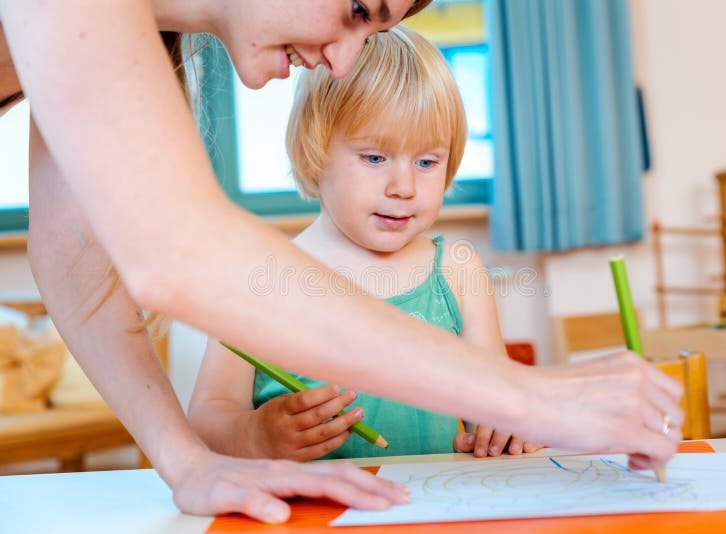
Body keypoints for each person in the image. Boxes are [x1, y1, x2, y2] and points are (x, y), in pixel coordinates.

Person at [0, 0, 683, 524]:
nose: (344, 55)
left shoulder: (130, 33)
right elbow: (174, 252)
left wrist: (187, 463)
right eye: (358, 9)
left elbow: (76, 260)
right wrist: (533, 397)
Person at [188, 26, 542, 462]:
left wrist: (506, 426)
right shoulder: (261, 278)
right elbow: (207, 418)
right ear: (314, 149)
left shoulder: (457, 270)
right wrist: (256, 435)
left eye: (427, 162)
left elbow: (496, 404)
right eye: (375, 157)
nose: (404, 187)